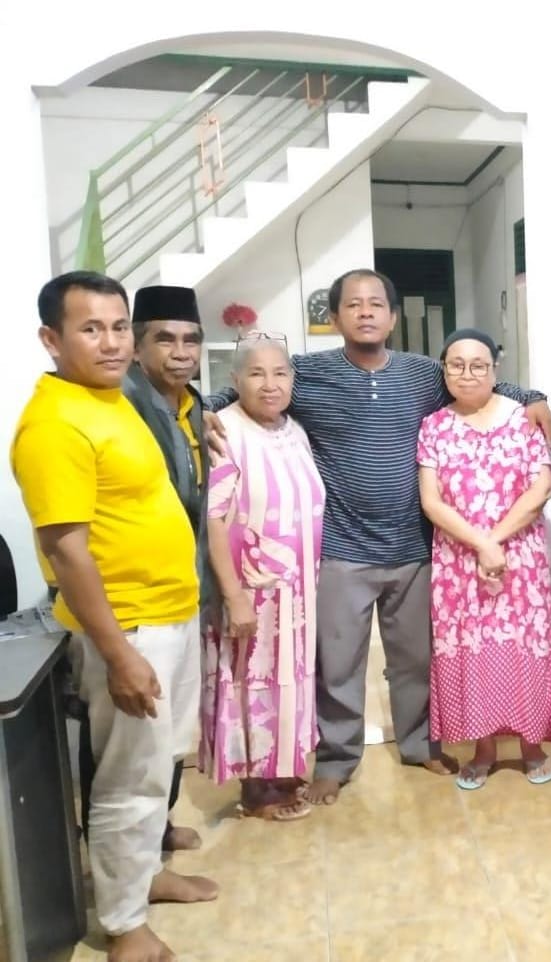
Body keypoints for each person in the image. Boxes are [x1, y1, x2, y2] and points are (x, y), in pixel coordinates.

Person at [206, 268, 551, 806]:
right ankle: (337, 759)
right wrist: (207, 406)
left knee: (415, 661)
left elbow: (474, 375)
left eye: (376, 304)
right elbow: (254, 379)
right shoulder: (308, 373)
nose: (366, 312)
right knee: (338, 664)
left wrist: (531, 395)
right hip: (343, 548)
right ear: (335, 316)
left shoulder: (421, 373)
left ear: (392, 317)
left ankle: (419, 746)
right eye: (354, 304)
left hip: (413, 548)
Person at [12, 271, 217, 962]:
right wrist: (120, 654)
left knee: (160, 763)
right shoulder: (53, 424)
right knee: (129, 778)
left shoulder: (110, 399)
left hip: (169, 610)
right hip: (128, 626)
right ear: (52, 338)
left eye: (119, 326)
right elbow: (66, 550)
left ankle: (146, 875)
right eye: (90, 328)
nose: (110, 342)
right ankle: (125, 925)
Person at [75, 284, 209, 859]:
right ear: (137, 346)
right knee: (126, 751)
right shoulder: (124, 402)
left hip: (177, 588)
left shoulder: (191, 403)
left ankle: (156, 837)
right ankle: (129, 866)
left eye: (191, 341)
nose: (180, 353)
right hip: (130, 602)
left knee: (164, 736)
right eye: (164, 339)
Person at [416, 328, 551, 790]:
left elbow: (543, 485)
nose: (467, 374)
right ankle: (483, 749)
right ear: (444, 370)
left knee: (524, 647)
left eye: (478, 365)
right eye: (456, 365)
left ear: (495, 370)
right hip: (458, 562)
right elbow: (431, 501)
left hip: (519, 556)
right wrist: (480, 545)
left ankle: (531, 745)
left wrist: (494, 540)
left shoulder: (524, 419)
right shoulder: (433, 426)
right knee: (472, 651)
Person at [200, 333, 325, 821]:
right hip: (253, 591)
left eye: (279, 373)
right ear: (235, 381)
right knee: (250, 684)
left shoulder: (295, 429)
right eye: (256, 373)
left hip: (298, 592)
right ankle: (256, 789)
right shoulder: (226, 432)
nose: (270, 384)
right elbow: (213, 520)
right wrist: (233, 597)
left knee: (290, 680)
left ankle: (282, 768)